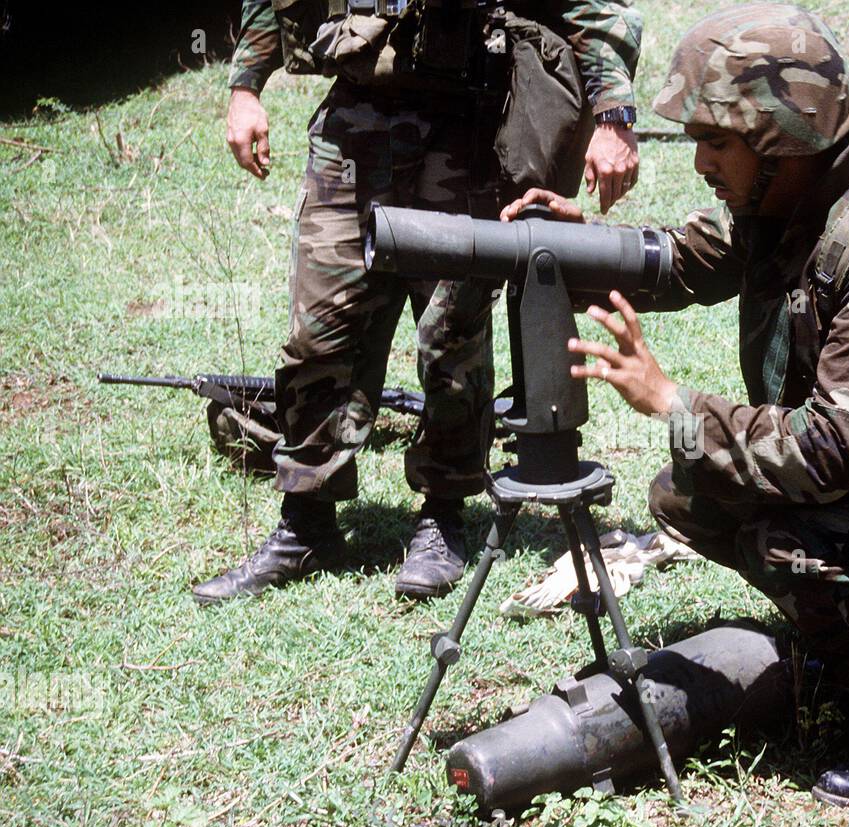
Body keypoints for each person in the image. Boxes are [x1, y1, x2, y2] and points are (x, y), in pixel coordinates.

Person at [502, 2, 849, 805]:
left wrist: (670, 400)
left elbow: (824, 453)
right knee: (692, 493)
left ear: (783, 141)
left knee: (777, 536)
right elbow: (684, 261)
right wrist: (573, 244)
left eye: (716, 140)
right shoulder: (791, 204)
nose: (699, 161)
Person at [195, 0, 644, 605]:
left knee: (451, 338)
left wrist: (613, 116)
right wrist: (246, 86)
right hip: (355, 125)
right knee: (320, 330)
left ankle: (443, 515)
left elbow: (592, 7)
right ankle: (306, 523)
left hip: (468, 130)